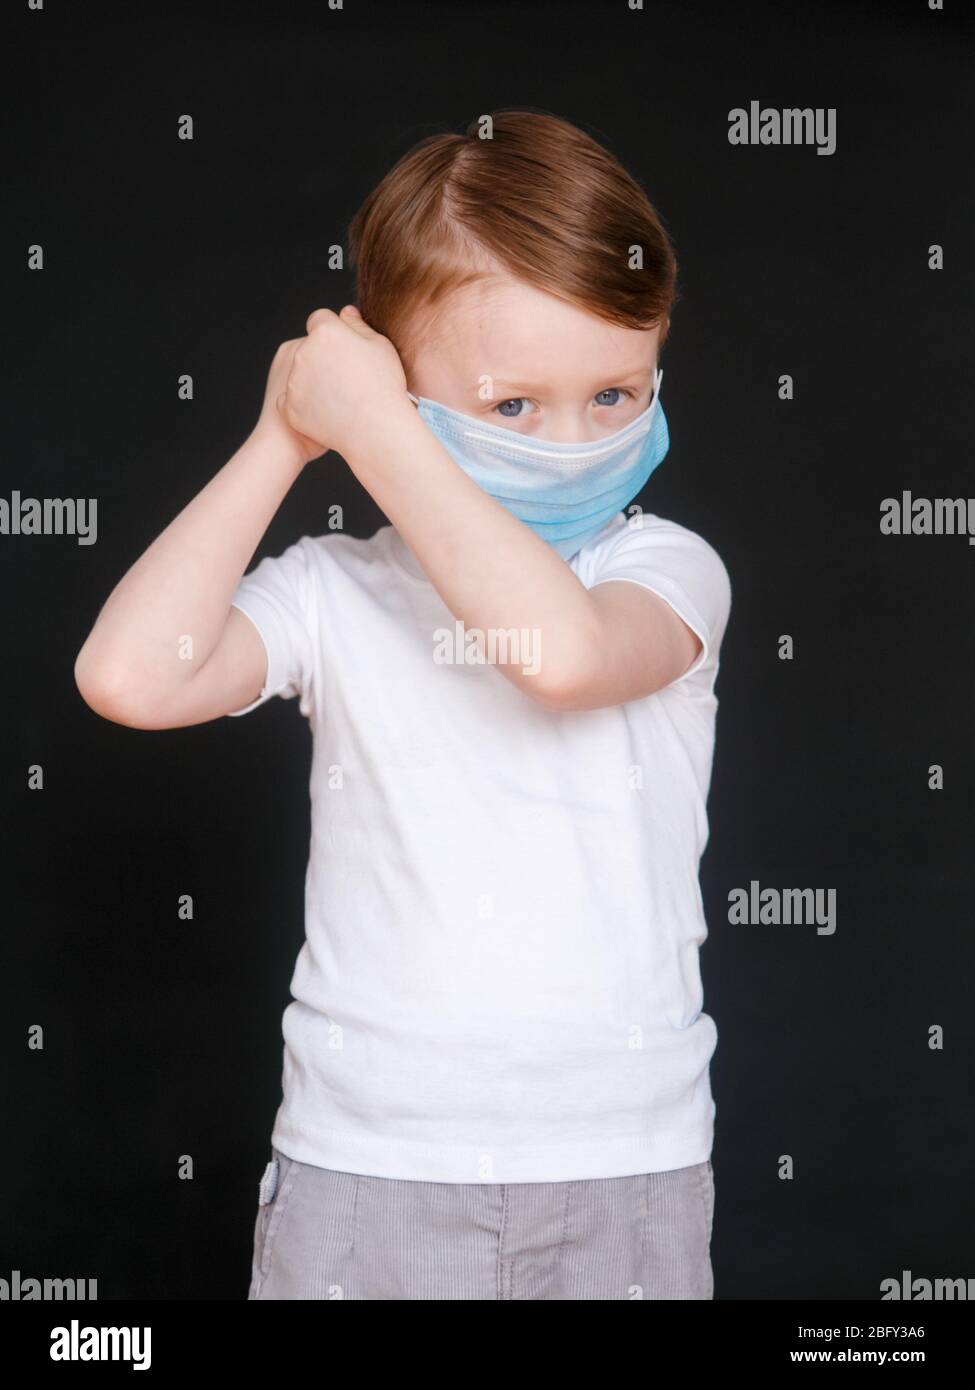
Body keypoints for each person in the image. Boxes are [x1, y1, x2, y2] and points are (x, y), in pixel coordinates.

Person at [74, 109, 732, 1301]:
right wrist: (289, 433)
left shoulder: (663, 572)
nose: (577, 444)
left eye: (617, 394)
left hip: (622, 1166)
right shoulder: (335, 592)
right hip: (364, 1169)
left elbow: (563, 656)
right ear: (400, 384)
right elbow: (131, 675)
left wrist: (377, 427)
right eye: (514, 407)